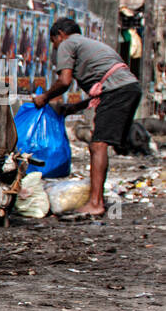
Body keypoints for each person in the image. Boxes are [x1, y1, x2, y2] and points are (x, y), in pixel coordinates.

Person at [32, 17, 140, 217]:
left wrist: (44, 98)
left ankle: (96, 203)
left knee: (98, 145)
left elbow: (64, 81)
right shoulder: (90, 43)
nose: (55, 47)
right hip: (129, 88)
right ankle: (97, 199)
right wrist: (74, 107)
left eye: (53, 42)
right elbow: (103, 87)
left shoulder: (67, 44)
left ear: (59, 35)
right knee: (101, 143)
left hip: (117, 91)